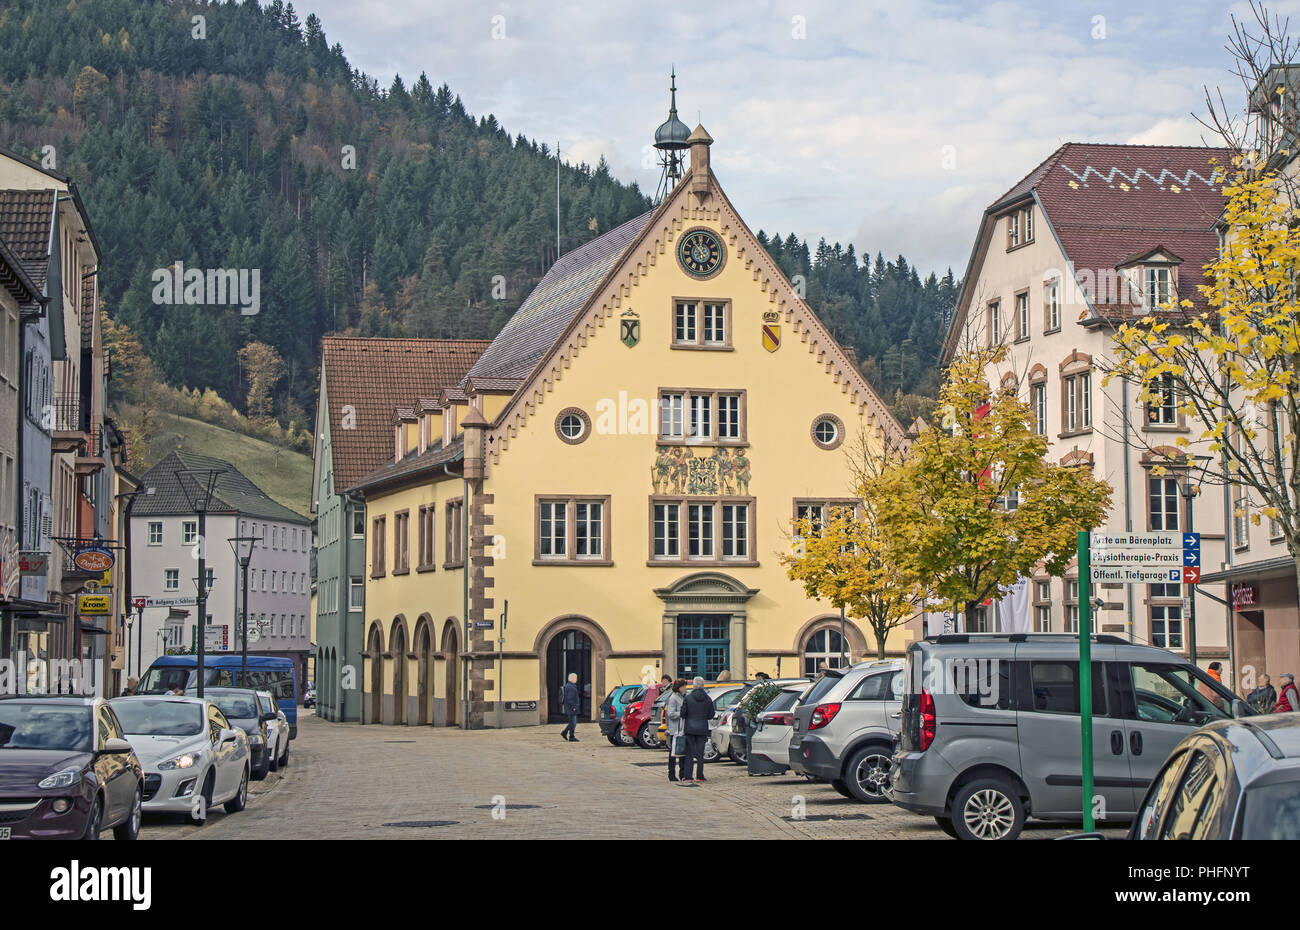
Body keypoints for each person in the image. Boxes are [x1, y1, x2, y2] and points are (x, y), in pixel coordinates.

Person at [681, 676, 714, 784]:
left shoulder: (688, 698)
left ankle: (688, 776)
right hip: (702, 728)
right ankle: (700, 775)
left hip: (690, 728)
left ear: (694, 685)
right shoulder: (708, 699)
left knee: (689, 753)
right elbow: (711, 714)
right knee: (700, 753)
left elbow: (683, 713)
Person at [665, 679, 687, 782]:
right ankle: (671, 773)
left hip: (681, 729)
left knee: (682, 751)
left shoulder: (682, 697)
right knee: (673, 753)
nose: (685, 688)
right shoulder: (673, 698)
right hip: (675, 729)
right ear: (679, 687)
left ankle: (682, 773)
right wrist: (681, 714)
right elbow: (670, 714)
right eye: (684, 686)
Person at [560, 673, 580, 741]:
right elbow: (570, 699)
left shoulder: (569, 686)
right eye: (575, 678)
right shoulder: (571, 687)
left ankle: (566, 733)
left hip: (569, 708)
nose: (576, 679)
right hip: (571, 708)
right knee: (573, 723)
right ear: (572, 679)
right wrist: (574, 707)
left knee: (572, 722)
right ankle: (571, 736)